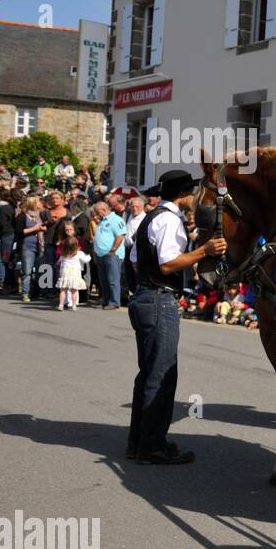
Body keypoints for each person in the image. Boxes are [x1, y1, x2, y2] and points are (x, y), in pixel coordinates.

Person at [126, 169, 227, 465]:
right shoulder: (170, 219)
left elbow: (135, 261)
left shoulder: (150, 217)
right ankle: (151, 446)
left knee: (148, 374)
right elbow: (169, 263)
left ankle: (139, 442)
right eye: (192, 193)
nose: (195, 198)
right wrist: (204, 251)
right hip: (158, 300)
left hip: (146, 296)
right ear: (184, 194)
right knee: (161, 375)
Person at [91, 200, 127, 309]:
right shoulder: (102, 221)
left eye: (98, 211)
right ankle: (105, 300)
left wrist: (113, 249)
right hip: (101, 254)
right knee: (103, 279)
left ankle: (114, 302)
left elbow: (120, 235)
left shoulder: (116, 220)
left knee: (113, 279)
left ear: (104, 209)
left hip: (112, 254)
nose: (97, 214)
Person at [15, 194, 45, 303]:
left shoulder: (39, 215)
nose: (40, 203)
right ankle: (25, 293)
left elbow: (41, 227)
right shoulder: (22, 216)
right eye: (38, 202)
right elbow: (19, 232)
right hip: (27, 246)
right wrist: (35, 228)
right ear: (32, 203)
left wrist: (43, 227)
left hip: (39, 246)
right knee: (27, 271)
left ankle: (37, 292)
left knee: (39, 270)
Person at [55, 233, 91, 310]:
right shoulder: (79, 253)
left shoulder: (63, 254)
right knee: (74, 291)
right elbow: (86, 260)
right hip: (75, 274)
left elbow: (58, 262)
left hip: (65, 274)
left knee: (63, 290)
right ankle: (74, 305)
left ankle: (61, 304)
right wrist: (89, 255)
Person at [0, 190, 14, 293]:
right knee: (5, 259)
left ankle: (3, 282)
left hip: (6, 235)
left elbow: (2, 223)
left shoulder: (3, 208)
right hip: (8, 235)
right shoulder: (9, 207)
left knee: (4, 259)